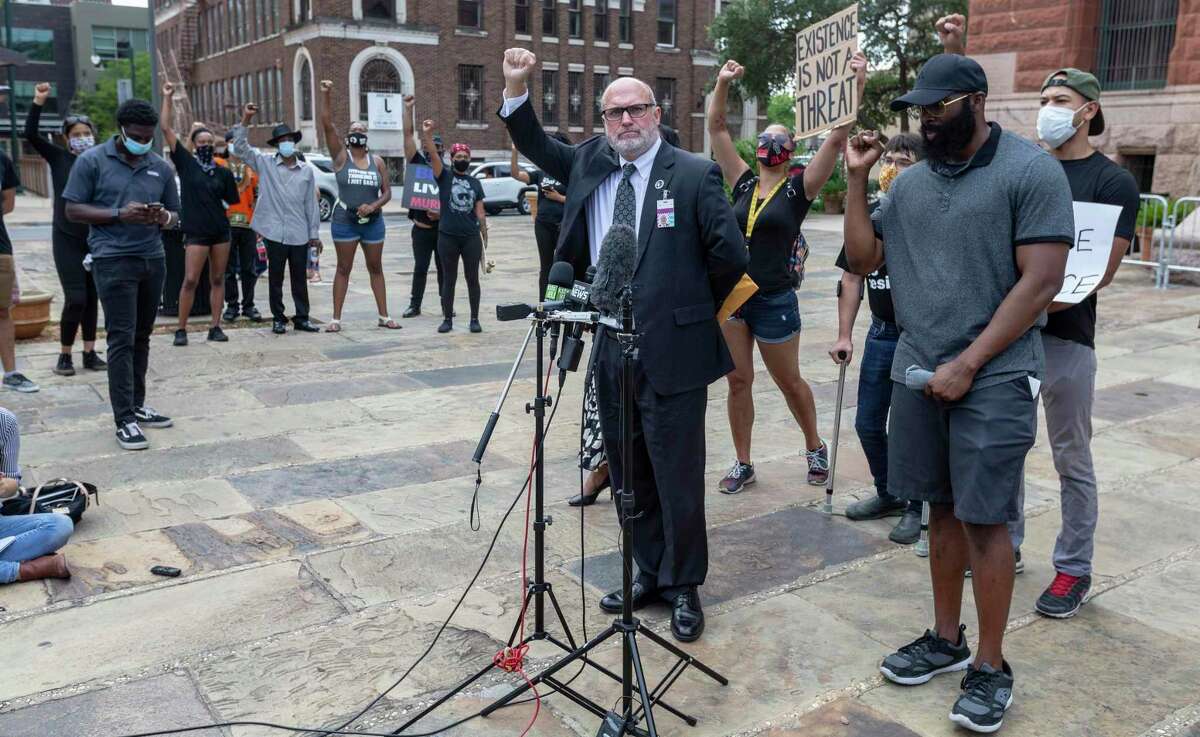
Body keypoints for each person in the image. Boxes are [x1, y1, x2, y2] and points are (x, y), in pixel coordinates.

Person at [843, 53, 1073, 733]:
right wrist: (855, 180)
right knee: (938, 509)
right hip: (919, 368)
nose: (926, 120)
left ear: (976, 100)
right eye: (920, 110)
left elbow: (1042, 281)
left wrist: (969, 363)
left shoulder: (1030, 171)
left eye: (938, 108)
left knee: (985, 518)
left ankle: (991, 666)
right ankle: (946, 639)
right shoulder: (910, 184)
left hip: (995, 373)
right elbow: (864, 258)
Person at [500, 47, 748, 642]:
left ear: (656, 114)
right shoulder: (589, 162)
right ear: (604, 122)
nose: (626, 121)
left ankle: (684, 584)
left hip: (674, 352)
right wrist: (515, 87)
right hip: (611, 347)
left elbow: (730, 257)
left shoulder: (692, 174)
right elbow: (534, 142)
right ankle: (648, 572)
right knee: (628, 471)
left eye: (636, 110)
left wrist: (684, 309)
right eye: (615, 113)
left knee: (677, 476)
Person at [939, 16, 1141, 618]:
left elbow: (1097, 272)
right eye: (1044, 99)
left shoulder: (1113, 182)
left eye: (1060, 100)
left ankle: (1073, 568)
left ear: (1088, 111)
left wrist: (1024, 302)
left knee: (1071, 456)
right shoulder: (1026, 166)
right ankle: (1008, 546)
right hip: (1009, 337)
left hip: (1066, 339)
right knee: (1005, 449)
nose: (1048, 109)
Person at [705, 55, 865, 493]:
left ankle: (814, 446)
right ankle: (743, 462)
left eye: (779, 138)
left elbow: (837, 138)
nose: (770, 142)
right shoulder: (742, 182)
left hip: (774, 299)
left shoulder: (798, 189)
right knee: (738, 380)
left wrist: (856, 83)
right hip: (734, 297)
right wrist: (723, 82)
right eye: (766, 137)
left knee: (788, 382)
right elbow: (717, 128)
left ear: (790, 149)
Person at [63, 98, 181, 451]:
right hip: (113, 260)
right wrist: (119, 214)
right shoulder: (92, 161)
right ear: (121, 130)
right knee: (121, 338)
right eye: (136, 137)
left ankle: (137, 404)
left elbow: (176, 215)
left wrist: (163, 218)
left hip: (152, 258)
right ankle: (124, 419)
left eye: (147, 137)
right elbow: (72, 210)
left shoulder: (160, 166)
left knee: (142, 336)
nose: (142, 143)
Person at [833, 133, 925, 544]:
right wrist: (844, 335)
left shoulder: (927, 216)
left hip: (917, 337)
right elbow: (852, 276)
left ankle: (917, 505)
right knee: (868, 422)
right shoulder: (871, 215)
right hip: (882, 333)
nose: (891, 169)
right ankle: (889, 492)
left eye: (903, 161)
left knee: (910, 428)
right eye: (888, 161)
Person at [25, 83, 106, 378]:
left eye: (87, 134)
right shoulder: (59, 158)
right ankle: (65, 355)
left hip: (95, 239)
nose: (83, 139)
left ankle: (90, 352)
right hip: (66, 238)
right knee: (76, 298)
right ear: (66, 138)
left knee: (92, 297)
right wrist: (39, 101)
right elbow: (30, 134)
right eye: (76, 135)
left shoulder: (101, 162)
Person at [231, 104, 323, 335]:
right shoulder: (265, 164)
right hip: (274, 232)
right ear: (277, 145)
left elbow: (310, 205)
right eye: (282, 140)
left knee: (299, 278)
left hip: (299, 232)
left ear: (294, 142)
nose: (286, 143)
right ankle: (278, 318)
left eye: (289, 139)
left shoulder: (306, 171)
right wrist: (246, 118)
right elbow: (240, 148)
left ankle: (302, 317)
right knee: (275, 278)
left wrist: (313, 234)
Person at [161, 84, 239, 347]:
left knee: (217, 279)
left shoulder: (223, 172)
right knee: (190, 280)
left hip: (220, 231)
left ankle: (215, 326)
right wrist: (167, 98)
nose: (205, 145)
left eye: (209, 142)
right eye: (201, 142)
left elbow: (231, 201)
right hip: (196, 232)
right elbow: (166, 129)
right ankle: (181, 329)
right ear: (193, 145)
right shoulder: (186, 164)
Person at [318, 80, 397, 332]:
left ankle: (384, 316)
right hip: (345, 220)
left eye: (362, 130)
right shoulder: (342, 157)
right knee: (344, 268)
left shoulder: (378, 162)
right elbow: (327, 124)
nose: (358, 132)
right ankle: (335, 319)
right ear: (348, 136)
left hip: (373, 222)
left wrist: (373, 206)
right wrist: (326, 94)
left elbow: (387, 192)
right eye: (354, 129)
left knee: (376, 267)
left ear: (366, 136)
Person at [419, 121, 487, 334]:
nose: (462, 159)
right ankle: (447, 319)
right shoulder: (444, 176)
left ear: (470, 159)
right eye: (459, 156)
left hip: (470, 237)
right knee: (449, 279)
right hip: (448, 236)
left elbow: (480, 213)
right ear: (452, 158)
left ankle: (474, 319)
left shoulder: (475, 183)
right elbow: (433, 154)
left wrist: (485, 237)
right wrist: (427, 134)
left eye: (465, 156)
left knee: (472, 279)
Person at [0, 408, 74, 584]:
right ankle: (26, 570)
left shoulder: (5, 421)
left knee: (60, 525)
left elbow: (12, 483)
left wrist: (3, 486)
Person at [400, 97, 444, 318]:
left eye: (437, 148)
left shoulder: (447, 172)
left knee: (444, 269)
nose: (432, 151)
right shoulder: (417, 162)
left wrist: (440, 214)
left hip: (442, 230)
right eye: (428, 147)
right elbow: (408, 136)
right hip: (421, 229)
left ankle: (446, 304)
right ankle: (415, 305)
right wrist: (408, 110)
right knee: (420, 268)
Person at [510, 139, 568, 297]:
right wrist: (515, 152)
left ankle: (558, 301)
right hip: (543, 224)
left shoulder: (568, 172)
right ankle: (544, 303)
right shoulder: (542, 172)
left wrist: (558, 197)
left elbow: (577, 199)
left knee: (561, 265)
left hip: (563, 224)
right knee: (546, 266)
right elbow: (516, 174)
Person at [219, 131, 263, 323]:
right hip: (225, 224)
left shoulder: (251, 168)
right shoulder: (219, 164)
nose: (234, 145)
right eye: (231, 141)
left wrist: (259, 223)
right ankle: (231, 305)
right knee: (228, 269)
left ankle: (249, 305)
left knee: (249, 268)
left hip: (248, 225)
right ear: (226, 144)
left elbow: (258, 197)